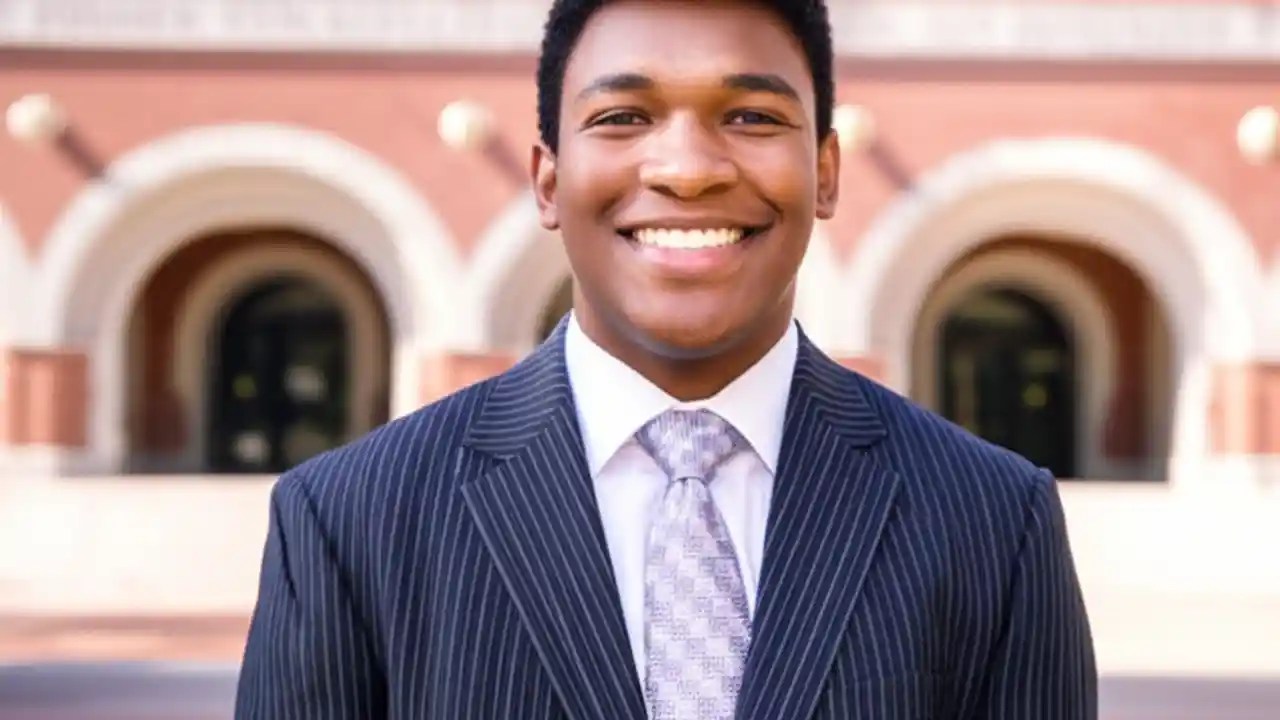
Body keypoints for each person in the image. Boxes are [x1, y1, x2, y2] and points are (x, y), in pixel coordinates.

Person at [234, 0, 1097, 717]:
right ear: (546, 180)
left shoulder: (994, 519)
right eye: (622, 118)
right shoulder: (350, 520)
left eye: (753, 117)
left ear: (826, 171)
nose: (687, 170)